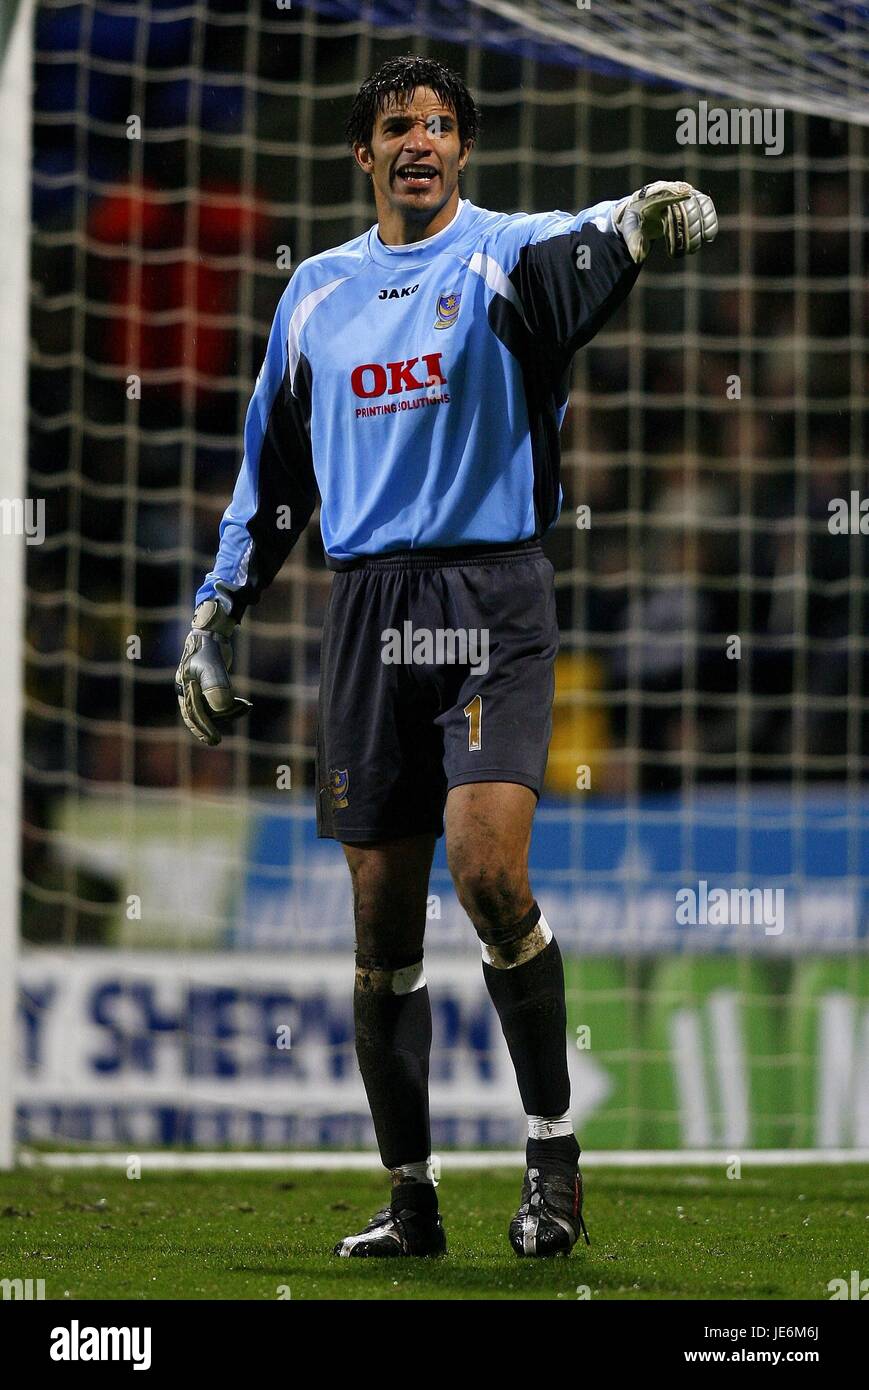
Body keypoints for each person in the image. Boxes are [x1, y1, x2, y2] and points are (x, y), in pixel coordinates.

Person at [176, 54, 717, 1258]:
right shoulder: (313, 294)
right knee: (380, 925)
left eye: (436, 124)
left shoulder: (504, 258)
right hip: (367, 610)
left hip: (490, 598)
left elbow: (585, 246)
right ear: (363, 153)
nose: (416, 140)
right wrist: (217, 612)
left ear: (462, 149)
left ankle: (551, 1165)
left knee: (485, 868)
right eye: (394, 125)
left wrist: (640, 217)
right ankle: (410, 1198)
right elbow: (274, 474)